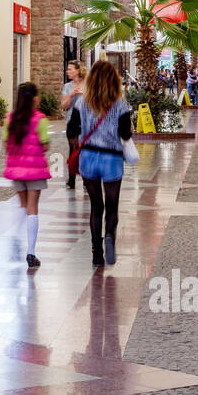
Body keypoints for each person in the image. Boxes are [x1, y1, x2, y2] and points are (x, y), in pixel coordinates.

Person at [68, 61, 133, 267]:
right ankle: (110, 237)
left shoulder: (81, 102)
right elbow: (125, 134)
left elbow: (71, 131)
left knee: (96, 207)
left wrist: (79, 142)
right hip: (112, 158)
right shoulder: (121, 104)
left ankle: (97, 254)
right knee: (112, 206)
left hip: (88, 157)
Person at [2, 82, 51, 268]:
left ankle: (15, 235)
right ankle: (31, 252)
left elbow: (6, 144)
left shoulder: (10, 119)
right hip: (35, 170)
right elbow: (45, 144)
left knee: (23, 206)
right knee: (32, 208)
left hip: (16, 170)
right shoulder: (40, 119)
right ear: (34, 98)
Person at [60, 60, 85, 190]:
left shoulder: (88, 84)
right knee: (73, 150)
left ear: (78, 70)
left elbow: (95, 100)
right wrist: (71, 95)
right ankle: (71, 179)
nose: (67, 71)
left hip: (86, 122)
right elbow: (64, 106)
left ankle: (87, 178)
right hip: (72, 123)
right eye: (67, 69)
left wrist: (84, 94)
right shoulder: (67, 86)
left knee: (85, 150)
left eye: (70, 69)